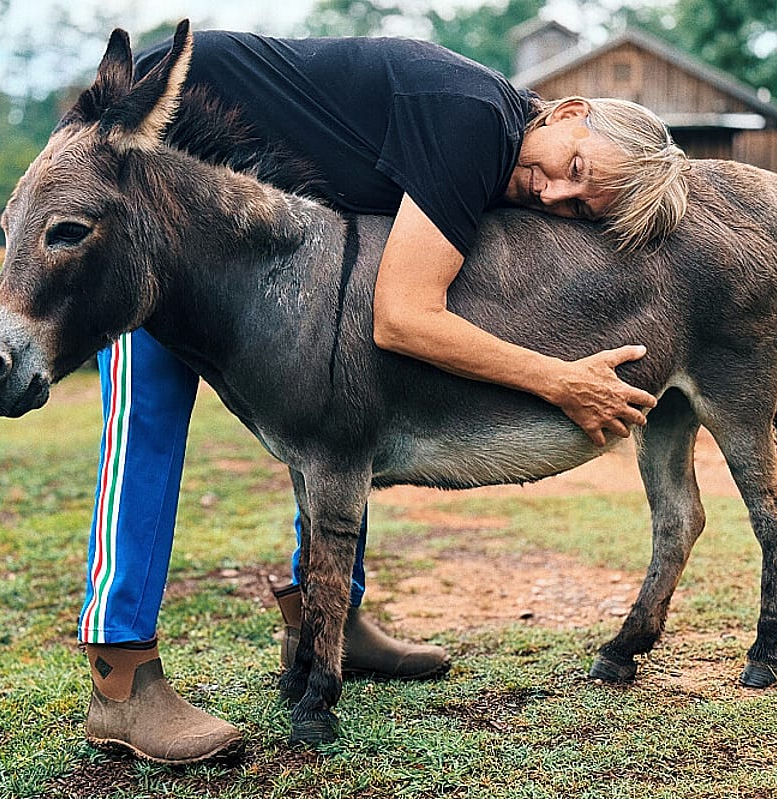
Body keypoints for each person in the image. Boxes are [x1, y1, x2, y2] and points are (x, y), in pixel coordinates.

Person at [79, 28, 689, 764]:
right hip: (150, 144)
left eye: (579, 207)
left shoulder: (496, 145)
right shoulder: (473, 125)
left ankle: (332, 622)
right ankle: (121, 679)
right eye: (575, 167)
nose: (554, 193)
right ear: (567, 111)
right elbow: (403, 316)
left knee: (344, 387)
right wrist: (559, 379)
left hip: (233, 215)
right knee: (145, 415)